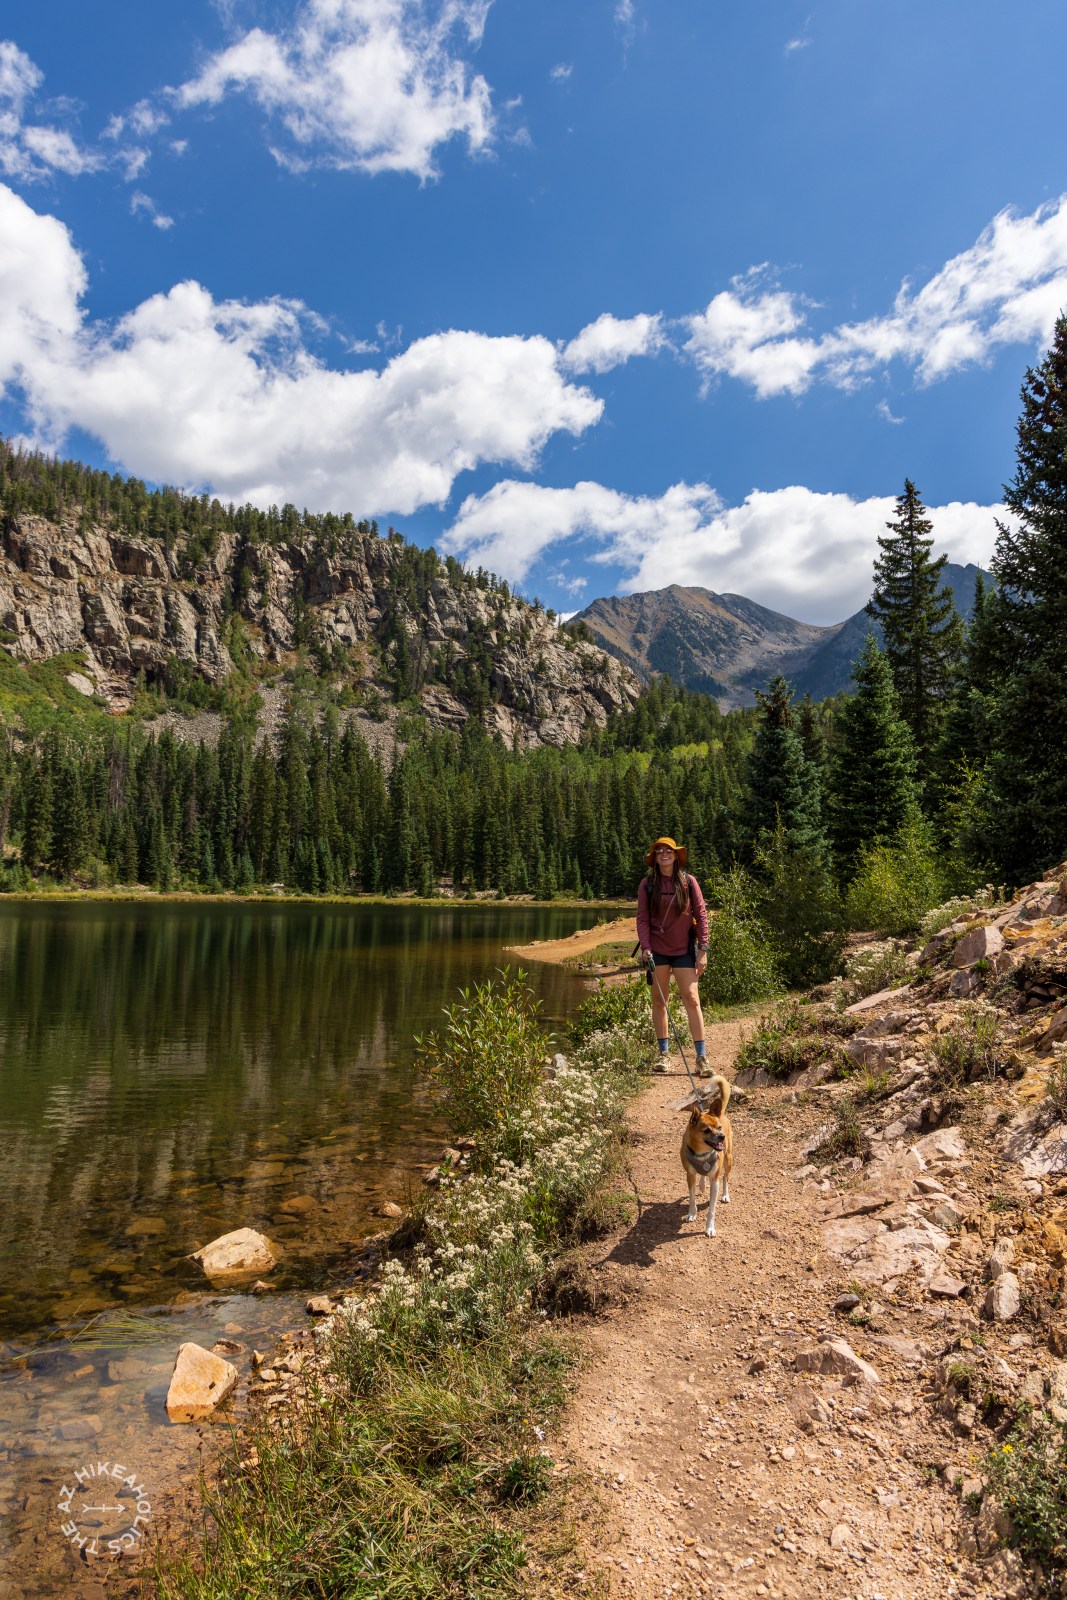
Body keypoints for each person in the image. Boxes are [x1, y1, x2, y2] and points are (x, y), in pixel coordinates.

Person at [636, 836, 709, 1069]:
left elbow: (701, 915)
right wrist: (646, 948)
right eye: (659, 851)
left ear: (676, 855)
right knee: (660, 1001)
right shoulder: (647, 885)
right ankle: (664, 1056)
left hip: (684, 950)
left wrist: (703, 950)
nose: (664, 854)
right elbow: (642, 919)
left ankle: (701, 1058)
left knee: (692, 999)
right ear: (655, 858)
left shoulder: (689, 882)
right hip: (657, 952)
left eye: (669, 850)